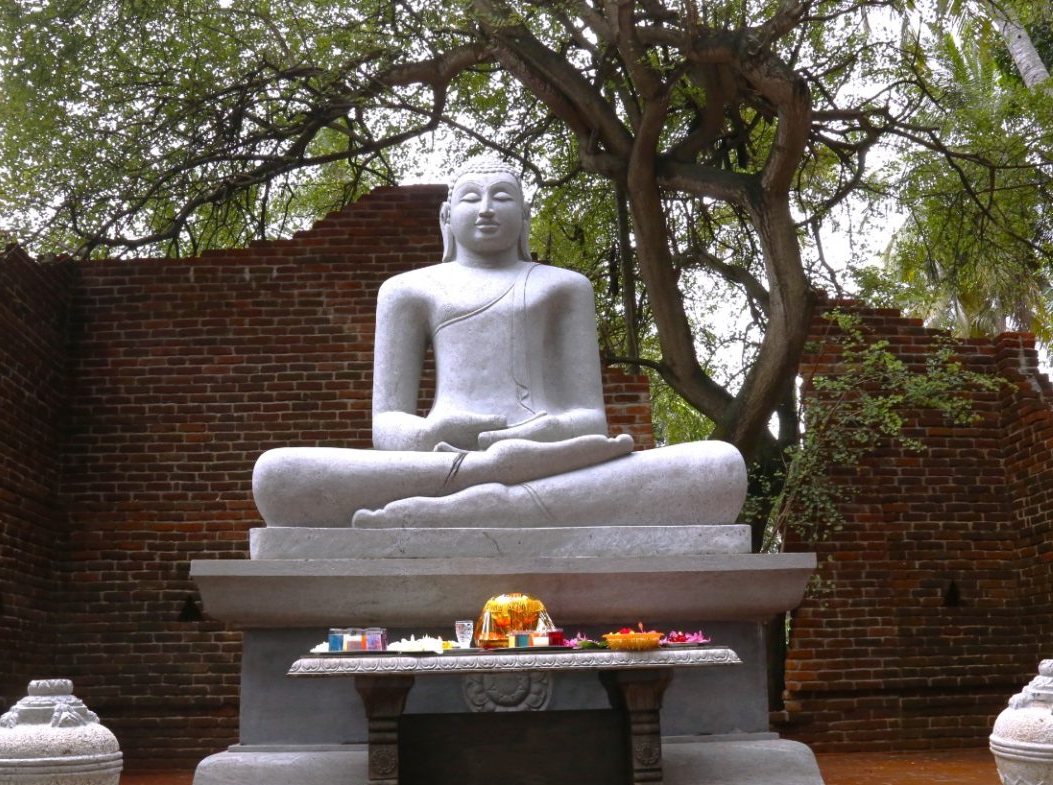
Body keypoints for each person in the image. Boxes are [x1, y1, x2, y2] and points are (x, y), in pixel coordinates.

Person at [251, 157, 747, 528]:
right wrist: (430, 433)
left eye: (502, 197)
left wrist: (537, 436)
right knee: (278, 474)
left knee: (717, 466)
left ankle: (459, 510)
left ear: (525, 215)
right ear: (447, 216)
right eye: (471, 197)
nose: (486, 209)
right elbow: (388, 425)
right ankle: (492, 496)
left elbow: (590, 419)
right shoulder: (408, 290)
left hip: (548, 461)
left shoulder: (563, 286)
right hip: (447, 459)